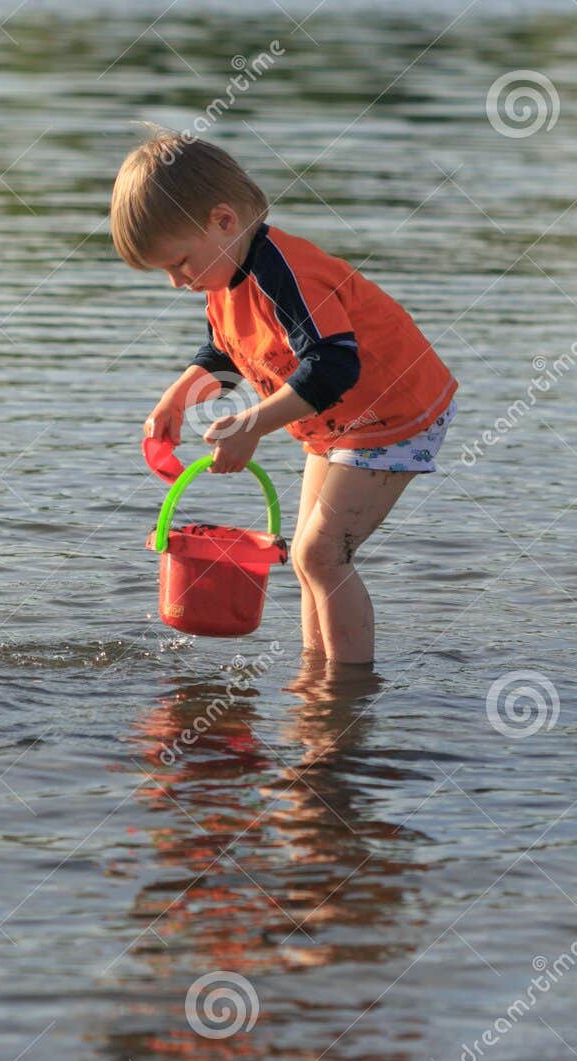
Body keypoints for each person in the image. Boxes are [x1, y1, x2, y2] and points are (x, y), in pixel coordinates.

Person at [112, 130, 458, 665]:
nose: (177, 282)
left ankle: (346, 689)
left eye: (179, 263)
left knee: (322, 555)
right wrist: (181, 394)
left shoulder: (287, 272)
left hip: (394, 413)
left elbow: (334, 363)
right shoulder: (224, 277)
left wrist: (251, 425)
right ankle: (316, 680)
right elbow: (226, 352)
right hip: (337, 425)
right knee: (306, 558)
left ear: (222, 221)